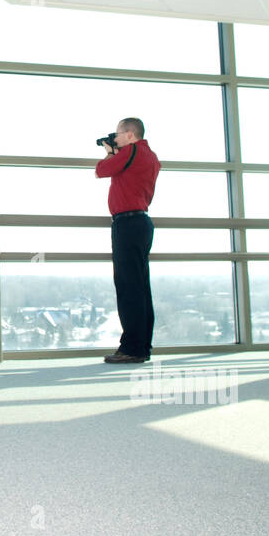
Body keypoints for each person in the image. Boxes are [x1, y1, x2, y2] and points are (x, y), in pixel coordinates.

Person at [95, 118, 161, 363]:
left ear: (131, 135)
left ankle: (131, 348)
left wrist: (111, 154)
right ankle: (142, 346)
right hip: (141, 223)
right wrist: (115, 153)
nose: (116, 138)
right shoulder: (151, 156)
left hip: (127, 224)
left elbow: (101, 170)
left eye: (119, 134)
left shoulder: (132, 150)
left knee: (128, 287)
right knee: (141, 287)